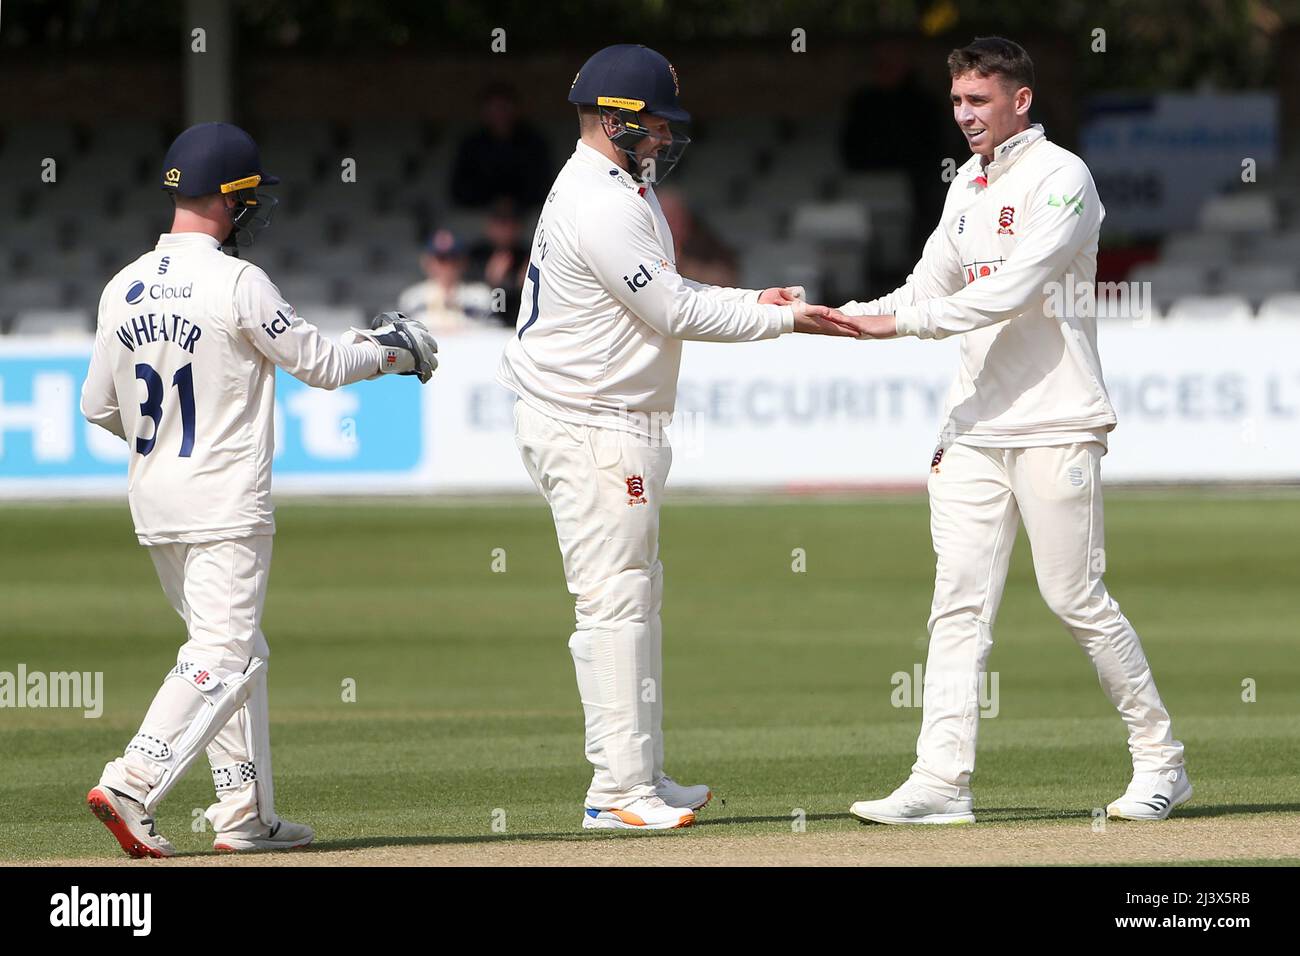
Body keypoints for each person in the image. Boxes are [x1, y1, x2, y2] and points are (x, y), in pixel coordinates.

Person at [497, 44, 867, 831]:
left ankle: (640, 773)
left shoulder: (616, 186)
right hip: (593, 423)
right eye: (656, 124)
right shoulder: (602, 202)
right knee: (614, 602)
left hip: (603, 418)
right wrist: (782, 318)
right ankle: (617, 790)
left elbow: (667, 292)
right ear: (616, 119)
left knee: (634, 595)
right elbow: (673, 313)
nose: (665, 137)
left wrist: (751, 296)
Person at [842, 38, 1189, 825]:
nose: (964, 115)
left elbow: (1011, 291)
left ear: (1019, 100)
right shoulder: (965, 181)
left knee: (1075, 597)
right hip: (973, 426)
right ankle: (941, 782)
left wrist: (899, 324)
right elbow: (924, 284)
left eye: (979, 101)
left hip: (1057, 419)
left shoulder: (1064, 178)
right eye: (958, 101)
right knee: (957, 605)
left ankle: (1162, 760)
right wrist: (838, 317)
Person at [80, 122, 438, 857]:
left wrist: (172, 441)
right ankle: (131, 781)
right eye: (251, 200)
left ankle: (244, 814)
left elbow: (96, 407)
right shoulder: (236, 282)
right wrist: (394, 353)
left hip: (156, 502)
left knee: (235, 648)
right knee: (226, 653)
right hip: (224, 503)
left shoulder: (121, 287)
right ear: (232, 201)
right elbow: (324, 364)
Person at [449, 83, 553, 210]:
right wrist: (493, 205)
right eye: (493, 109)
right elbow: (459, 190)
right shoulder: (471, 145)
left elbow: (543, 188)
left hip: (526, 214)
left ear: (516, 109)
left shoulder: (534, 143)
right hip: (481, 214)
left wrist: (514, 205)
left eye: (503, 108)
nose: (499, 114)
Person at [398, 227, 498, 334]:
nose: (447, 265)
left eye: (453, 257)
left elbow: (494, 333)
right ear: (427, 261)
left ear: (463, 261)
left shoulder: (481, 295)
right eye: (441, 258)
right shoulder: (412, 298)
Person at [467, 199, 530, 324]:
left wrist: (525, 288)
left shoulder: (527, 255)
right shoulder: (477, 256)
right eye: (501, 222)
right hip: (482, 325)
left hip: (518, 323)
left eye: (511, 221)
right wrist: (493, 284)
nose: (505, 228)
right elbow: (469, 298)